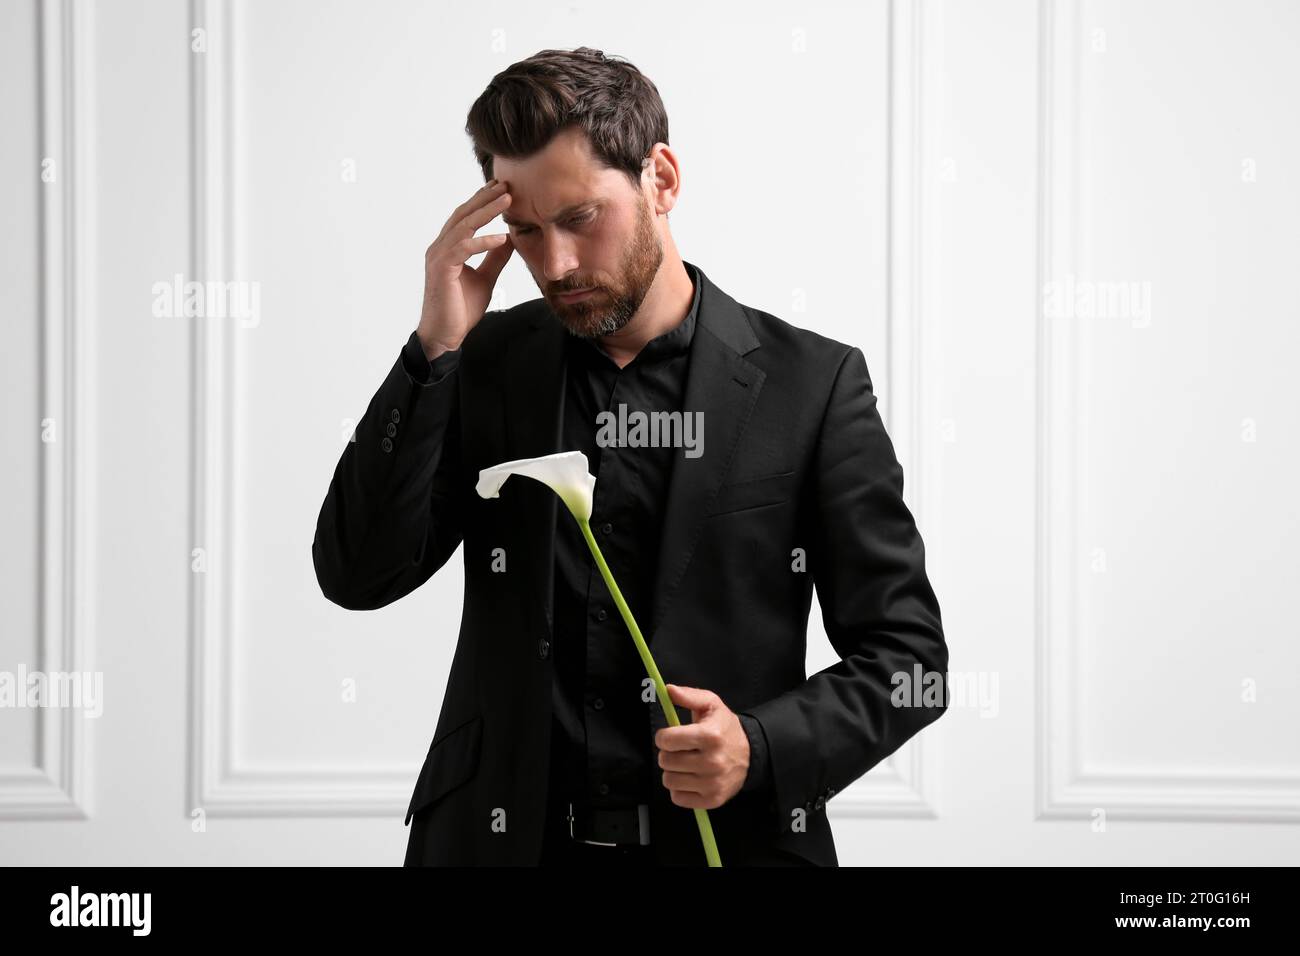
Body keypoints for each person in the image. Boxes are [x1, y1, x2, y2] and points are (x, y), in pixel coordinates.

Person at [312, 46, 948, 867]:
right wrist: (432, 354)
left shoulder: (813, 386)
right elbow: (357, 574)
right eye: (527, 231)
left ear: (663, 179)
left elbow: (909, 661)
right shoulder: (484, 362)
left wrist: (761, 747)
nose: (555, 265)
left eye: (579, 217)